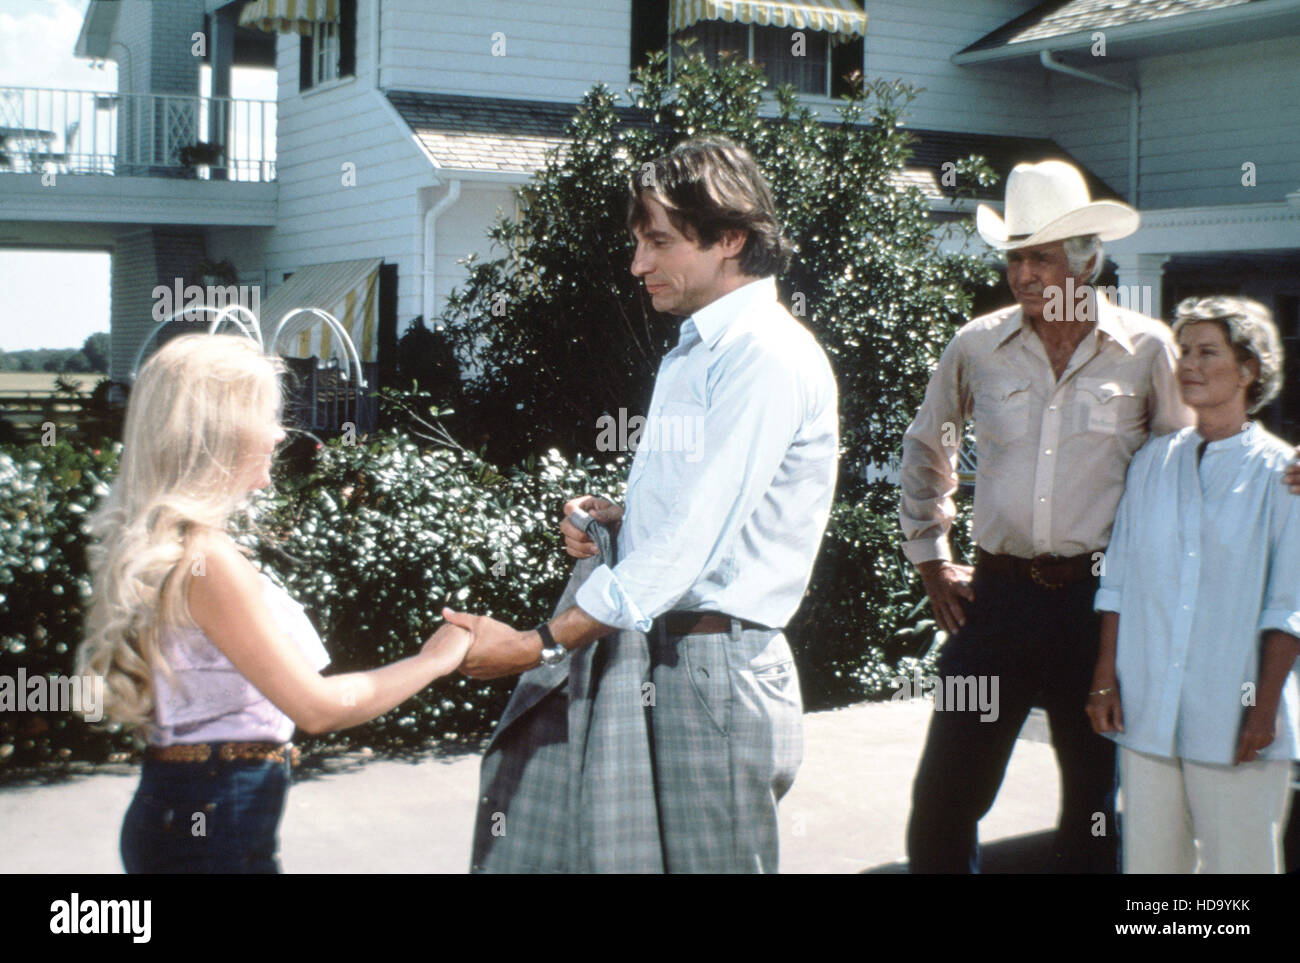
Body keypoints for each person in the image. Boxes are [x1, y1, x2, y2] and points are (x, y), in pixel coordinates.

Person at [444, 135, 839, 873]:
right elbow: (699, 515)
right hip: (664, 652)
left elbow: (691, 542)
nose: (637, 265)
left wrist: (537, 643)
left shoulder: (766, 355)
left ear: (730, 238)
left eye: (657, 241)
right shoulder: (696, 350)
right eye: (636, 242)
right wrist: (624, 519)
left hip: (714, 664)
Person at [77, 333, 470, 873]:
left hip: (192, 812)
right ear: (218, 433)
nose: (278, 433)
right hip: (214, 825)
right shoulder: (208, 562)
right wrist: (437, 660)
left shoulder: (185, 549)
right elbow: (318, 707)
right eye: (266, 416)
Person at [899, 159, 1195, 873]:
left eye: (1042, 256)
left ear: (1086, 260)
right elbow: (926, 445)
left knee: (1092, 811)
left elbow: (1184, 478)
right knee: (942, 800)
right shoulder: (977, 345)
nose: (1024, 273)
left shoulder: (1147, 349)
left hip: (1099, 611)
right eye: (1015, 256)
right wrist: (931, 556)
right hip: (995, 604)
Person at [1087, 296, 1300, 874]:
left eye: (1208, 352)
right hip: (1147, 706)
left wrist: (1263, 713)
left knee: (1240, 872)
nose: (1188, 365)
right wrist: (1106, 680)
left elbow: (1288, 608)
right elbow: (1119, 582)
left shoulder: (1283, 475)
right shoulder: (1152, 462)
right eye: (1183, 352)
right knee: (1153, 874)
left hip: (1235, 713)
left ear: (1249, 368)